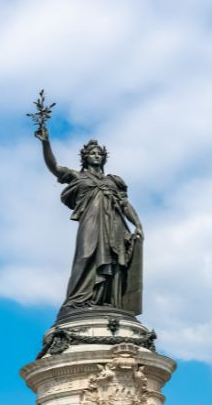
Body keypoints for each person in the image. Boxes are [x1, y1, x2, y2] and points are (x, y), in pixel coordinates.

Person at [35, 126, 144, 315]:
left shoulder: (113, 181)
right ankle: (77, 300)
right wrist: (46, 143)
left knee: (114, 261)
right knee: (85, 256)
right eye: (92, 153)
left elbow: (125, 205)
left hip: (115, 224)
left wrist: (138, 224)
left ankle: (108, 301)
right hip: (91, 221)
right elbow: (55, 168)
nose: (96, 156)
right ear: (85, 157)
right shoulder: (78, 176)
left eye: (99, 154)